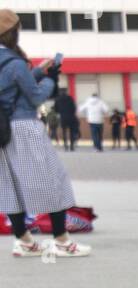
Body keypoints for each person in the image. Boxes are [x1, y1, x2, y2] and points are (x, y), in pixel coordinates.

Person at [0, 9, 91, 257]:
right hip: (24, 129)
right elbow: (36, 96)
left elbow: (10, 86)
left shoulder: (10, 63)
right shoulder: (16, 63)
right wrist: (51, 77)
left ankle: (25, 241)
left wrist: (38, 72)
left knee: (10, 187)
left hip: (2, 131)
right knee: (51, 181)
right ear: (13, 33)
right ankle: (62, 241)